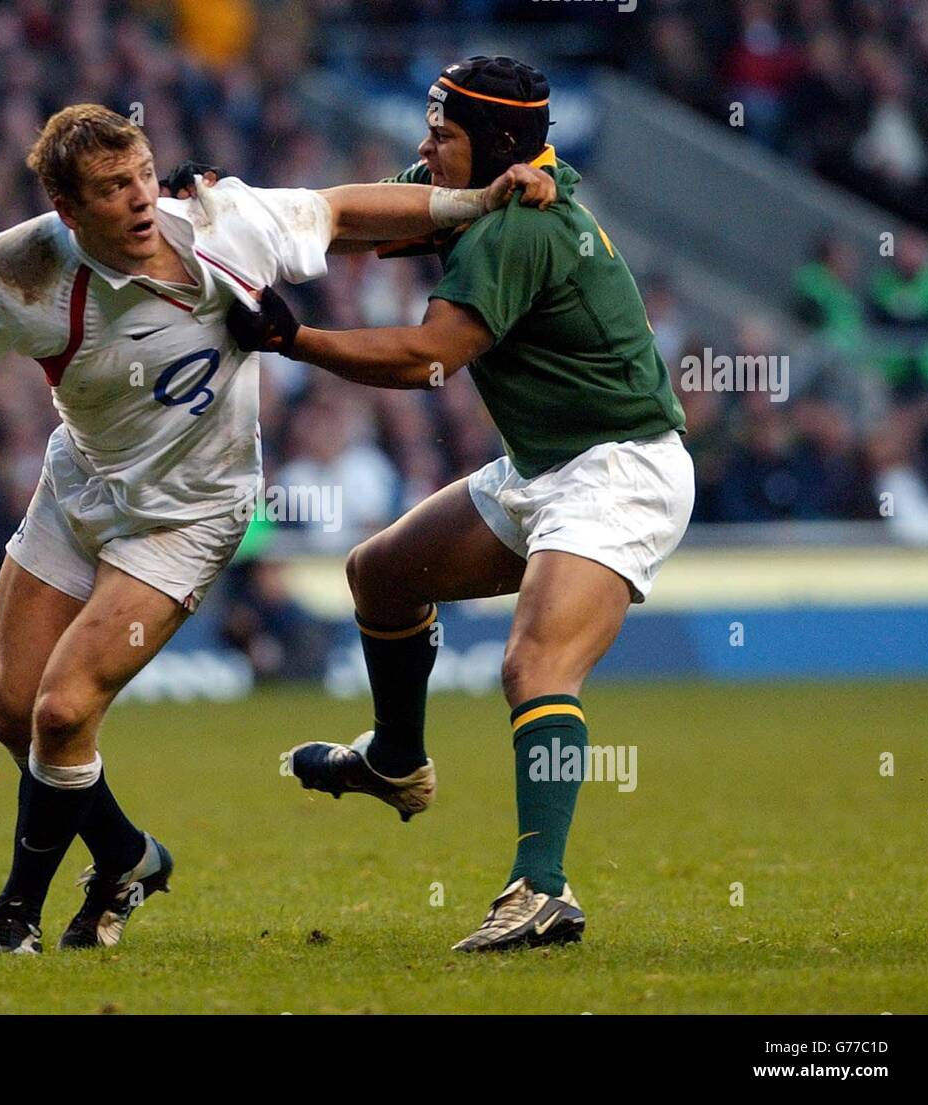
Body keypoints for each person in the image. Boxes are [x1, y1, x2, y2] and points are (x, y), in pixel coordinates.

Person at [0, 103, 556, 954]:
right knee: (10, 709)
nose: (142, 198)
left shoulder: (227, 223)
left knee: (63, 706)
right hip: (79, 490)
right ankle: (125, 855)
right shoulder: (17, 270)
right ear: (70, 213)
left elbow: (341, 211)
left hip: (191, 515)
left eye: (144, 173)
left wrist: (477, 202)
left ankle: (15, 915)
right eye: (113, 189)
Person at [228, 57, 696, 953]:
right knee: (382, 575)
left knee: (534, 665)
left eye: (442, 134)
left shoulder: (523, 225)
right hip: (540, 466)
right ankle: (397, 760)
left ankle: (543, 887)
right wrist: (236, 213)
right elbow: (354, 214)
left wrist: (298, 340)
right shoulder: (493, 189)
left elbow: (427, 358)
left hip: (619, 470)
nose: (423, 147)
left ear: (501, 144)